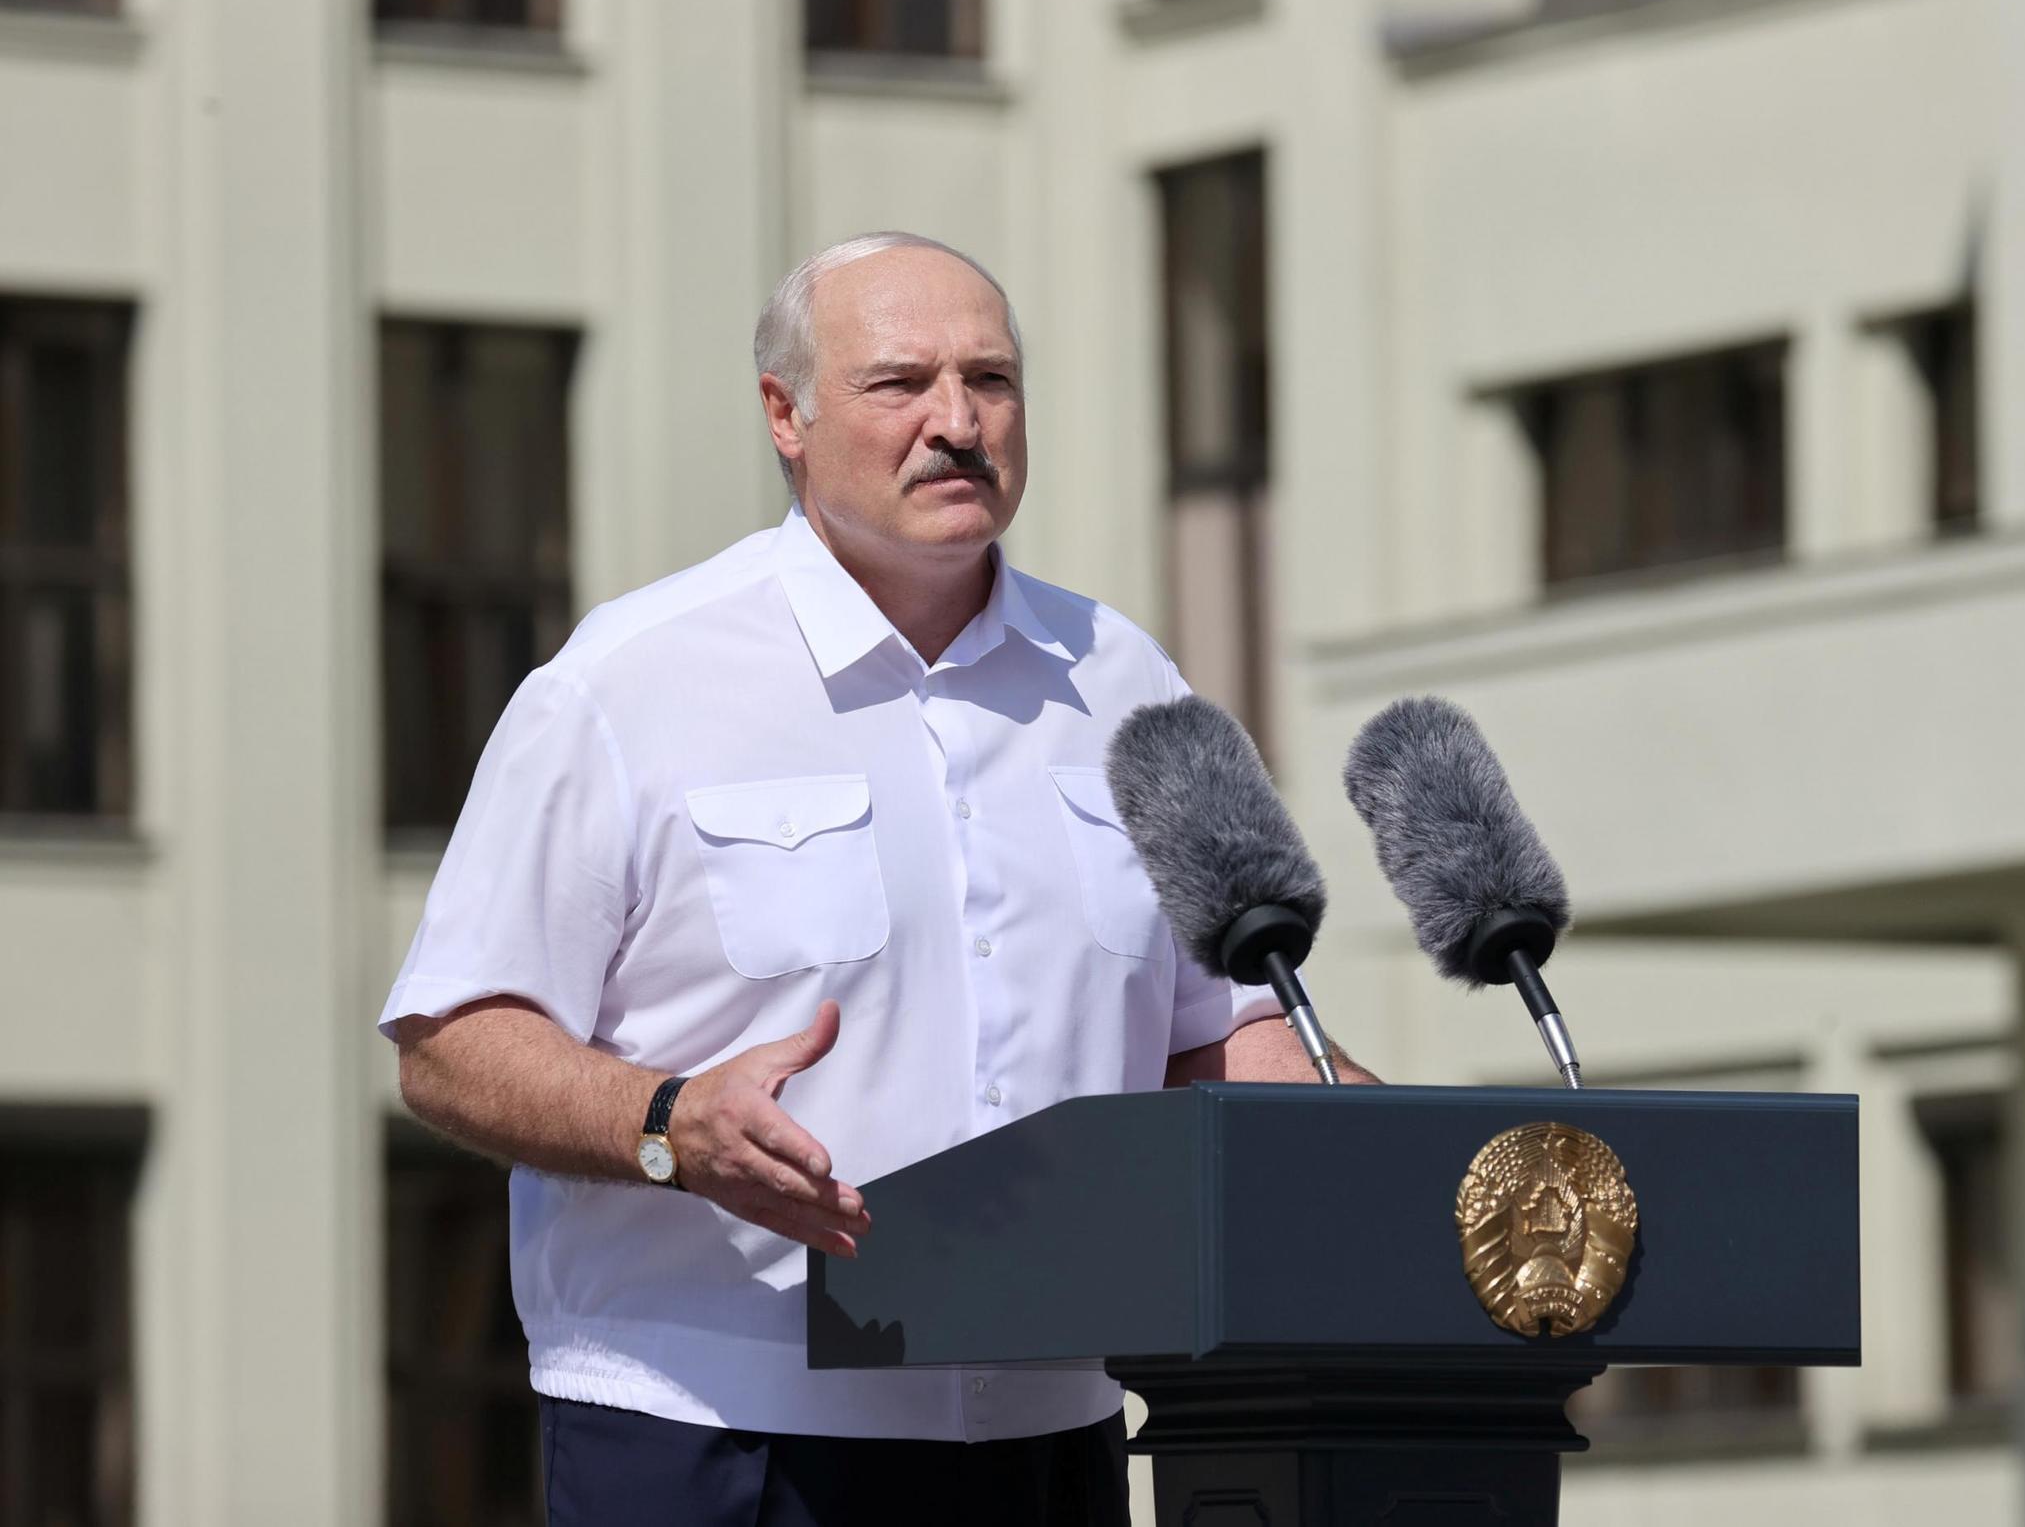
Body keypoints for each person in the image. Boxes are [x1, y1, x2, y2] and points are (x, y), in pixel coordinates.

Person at [381, 232, 1372, 1526]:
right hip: (723, 1436)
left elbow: (1221, 1035)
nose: (956, 422)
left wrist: (1374, 1134)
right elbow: (453, 1039)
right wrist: (671, 1122)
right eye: (901, 383)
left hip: (1050, 1430)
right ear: (784, 415)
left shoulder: (1130, 680)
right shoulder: (626, 683)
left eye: (993, 382)